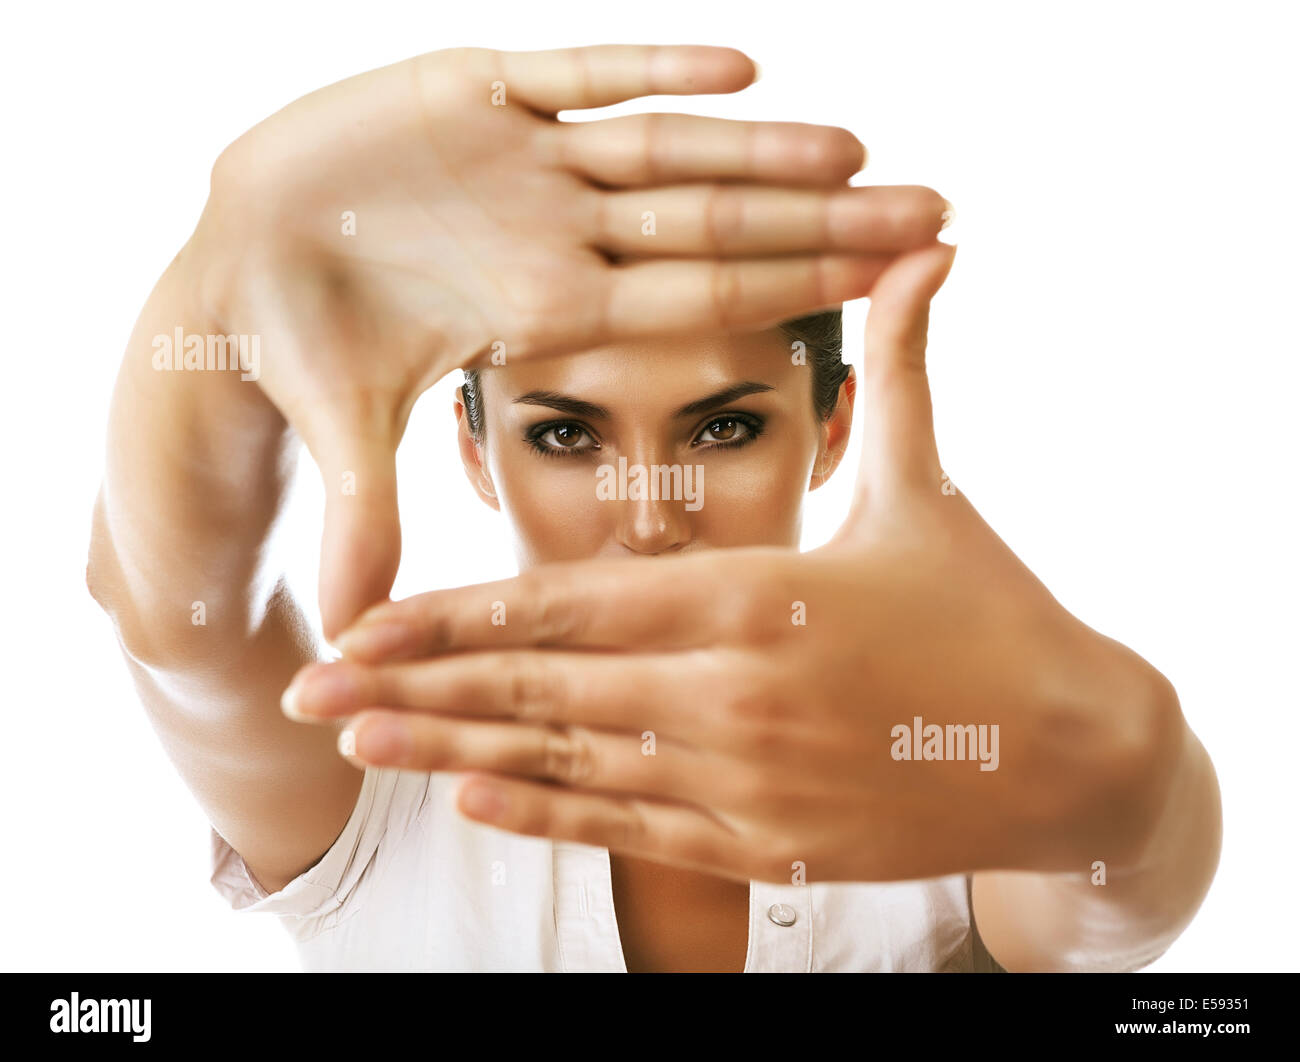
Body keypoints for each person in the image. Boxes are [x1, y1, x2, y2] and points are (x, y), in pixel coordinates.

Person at [88, 44, 1221, 972]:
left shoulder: (938, 755)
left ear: (830, 429)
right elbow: (172, 610)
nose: (649, 518)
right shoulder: (384, 769)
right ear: (475, 452)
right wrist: (225, 272)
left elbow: (1112, 908)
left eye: (722, 428)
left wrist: (1120, 768)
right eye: (565, 434)